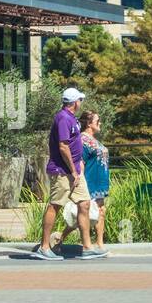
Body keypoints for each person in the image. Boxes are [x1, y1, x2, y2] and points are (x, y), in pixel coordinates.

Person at [35, 87, 106, 261]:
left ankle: (87, 247)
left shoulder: (71, 119)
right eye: (80, 100)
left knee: (84, 204)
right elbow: (63, 146)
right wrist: (73, 171)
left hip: (75, 171)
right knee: (55, 205)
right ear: (75, 102)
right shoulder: (63, 118)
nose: (81, 103)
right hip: (63, 171)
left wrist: (77, 170)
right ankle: (44, 247)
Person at [54, 110, 110, 252]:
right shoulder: (83, 140)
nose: (100, 123)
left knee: (100, 211)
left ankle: (99, 244)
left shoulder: (94, 140)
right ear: (89, 124)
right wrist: (80, 179)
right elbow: (80, 162)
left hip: (100, 182)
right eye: (97, 121)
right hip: (90, 181)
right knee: (86, 213)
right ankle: (61, 238)